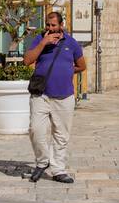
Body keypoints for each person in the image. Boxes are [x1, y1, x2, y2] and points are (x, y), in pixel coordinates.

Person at [24, 11, 86, 184]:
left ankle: (58, 170)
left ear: (61, 25)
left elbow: (82, 66)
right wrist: (43, 43)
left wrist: (66, 70)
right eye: (48, 25)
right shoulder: (39, 39)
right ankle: (42, 162)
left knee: (61, 135)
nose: (50, 28)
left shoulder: (72, 43)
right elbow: (27, 60)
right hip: (41, 94)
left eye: (53, 25)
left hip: (64, 96)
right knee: (35, 130)